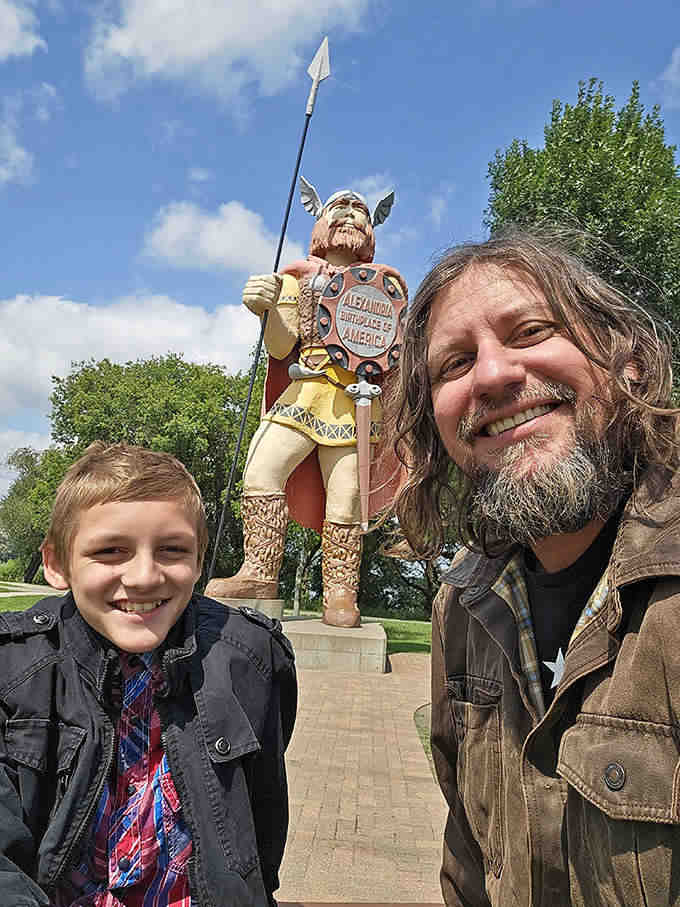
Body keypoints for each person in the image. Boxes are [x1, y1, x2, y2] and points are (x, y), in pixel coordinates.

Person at [391, 227, 680, 906]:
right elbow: (468, 865)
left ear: (627, 360)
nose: (492, 374)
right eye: (455, 363)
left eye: (530, 332)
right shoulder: (462, 605)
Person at [0, 442, 296, 907]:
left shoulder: (251, 658)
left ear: (199, 561)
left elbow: (263, 819)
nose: (143, 576)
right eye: (110, 551)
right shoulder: (14, 665)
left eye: (172, 550)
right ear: (57, 564)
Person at [207, 177, 407, 628]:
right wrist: (265, 308)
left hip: (356, 402)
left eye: (359, 210)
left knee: (347, 498)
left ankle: (341, 593)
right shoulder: (296, 278)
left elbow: (393, 350)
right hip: (304, 390)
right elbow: (282, 346)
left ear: (372, 226)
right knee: (261, 469)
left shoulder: (385, 283)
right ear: (319, 218)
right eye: (341, 207)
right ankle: (259, 573)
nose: (350, 214)